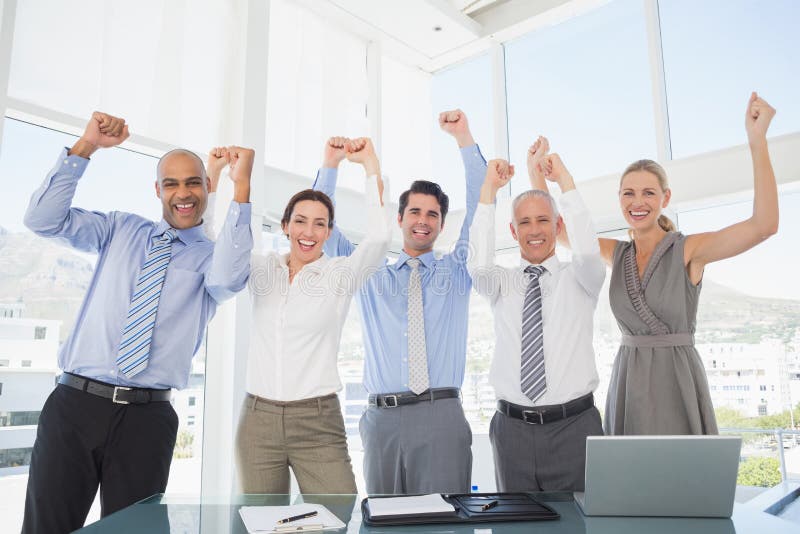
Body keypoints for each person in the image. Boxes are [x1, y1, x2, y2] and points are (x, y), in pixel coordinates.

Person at [22, 111, 254, 533]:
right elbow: (42, 220)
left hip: (147, 421)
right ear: (157, 190)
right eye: (171, 183)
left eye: (193, 182)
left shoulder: (210, 259)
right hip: (75, 406)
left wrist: (242, 188)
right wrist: (87, 146)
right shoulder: (120, 229)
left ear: (207, 188)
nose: (182, 193)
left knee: (135, 532)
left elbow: (232, 277)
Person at [313, 110, 487, 495]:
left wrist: (464, 138)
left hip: (441, 414)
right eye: (415, 212)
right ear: (399, 218)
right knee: (385, 522)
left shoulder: (457, 270)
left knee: (446, 522)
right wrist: (330, 166)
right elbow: (321, 225)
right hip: (382, 420)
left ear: (442, 224)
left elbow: (481, 209)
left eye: (433, 214)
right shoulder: (370, 272)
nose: (422, 220)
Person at [596, 92, 778, 435]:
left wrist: (758, 141)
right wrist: (542, 176)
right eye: (628, 193)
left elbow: (763, 225)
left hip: (678, 383)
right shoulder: (614, 252)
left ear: (665, 198)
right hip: (627, 385)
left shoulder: (688, 250)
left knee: (681, 480)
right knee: (631, 483)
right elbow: (553, 233)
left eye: (649, 193)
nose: (638, 202)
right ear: (619, 199)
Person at [228, 137, 390, 494]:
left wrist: (369, 166)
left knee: (338, 514)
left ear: (329, 232)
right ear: (285, 225)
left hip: (317, 420)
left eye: (320, 224)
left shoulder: (339, 274)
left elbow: (378, 238)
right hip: (258, 419)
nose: (309, 232)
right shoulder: (262, 268)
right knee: (259, 523)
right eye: (300, 221)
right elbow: (218, 250)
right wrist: (228, 183)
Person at [468, 148, 606, 492]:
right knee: (516, 526)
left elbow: (588, 248)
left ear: (557, 225)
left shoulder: (581, 278)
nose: (534, 230)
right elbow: (477, 263)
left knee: (579, 526)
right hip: (511, 430)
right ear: (513, 232)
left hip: (574, 427)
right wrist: (488, 191)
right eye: (524, 222)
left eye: (543, 220)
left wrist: (565, 183)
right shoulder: (501, 283)